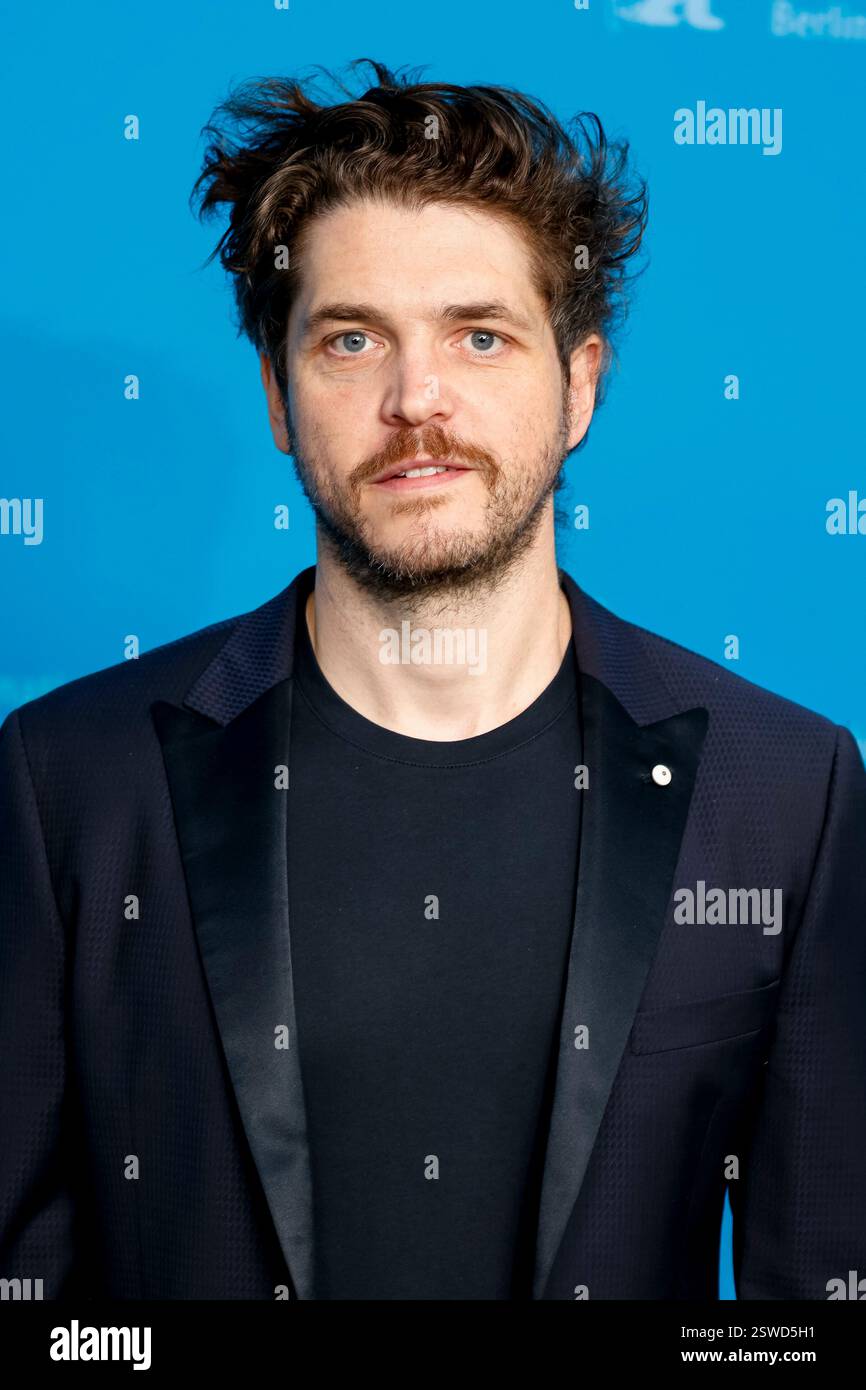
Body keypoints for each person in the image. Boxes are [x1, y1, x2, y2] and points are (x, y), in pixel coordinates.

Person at [1, 60, 864, 1301]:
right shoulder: (66, 780)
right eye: (351, 339)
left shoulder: (782, 792)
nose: (417, 400)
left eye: (479, 334)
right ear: (279, 398)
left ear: (575, 385)